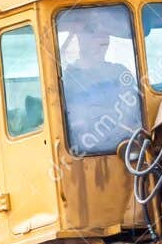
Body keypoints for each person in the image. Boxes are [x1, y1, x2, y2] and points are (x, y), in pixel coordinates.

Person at [59, 10, 141, 154]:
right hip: (84, 159)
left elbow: (132, 116)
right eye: (93, 31)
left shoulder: (120, 73)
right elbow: (76, 122)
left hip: (127, 153)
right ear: (79, 37)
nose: (102, 37)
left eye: (106, 31)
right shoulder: (65, 81)